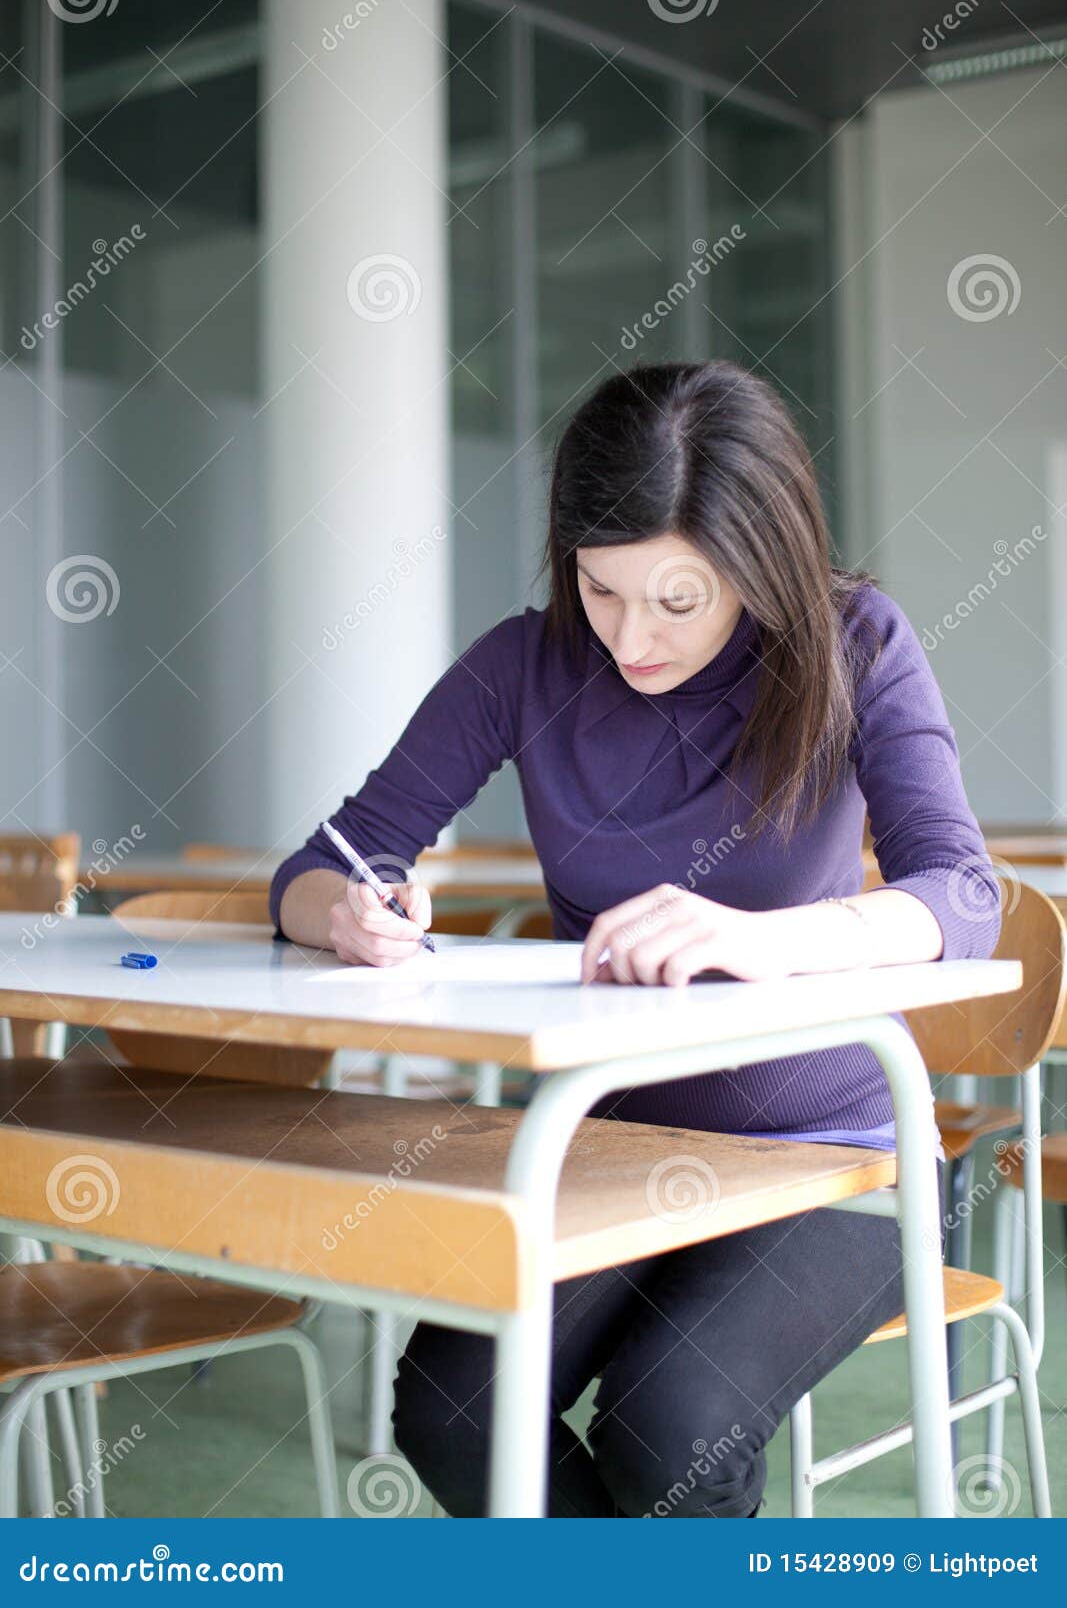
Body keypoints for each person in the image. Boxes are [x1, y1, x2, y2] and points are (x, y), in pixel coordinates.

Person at [269, 360, 998, 1517]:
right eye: (602, 589)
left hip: (834, 1155)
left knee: (674, 1425)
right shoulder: (522, 665)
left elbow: (962, 894)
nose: (629, 638)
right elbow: (319, 868)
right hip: (607, 1142)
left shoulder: (854, 641)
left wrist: (774, 939)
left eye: (678, 600)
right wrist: (348, 913)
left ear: (762, 565)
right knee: (451, 1410)